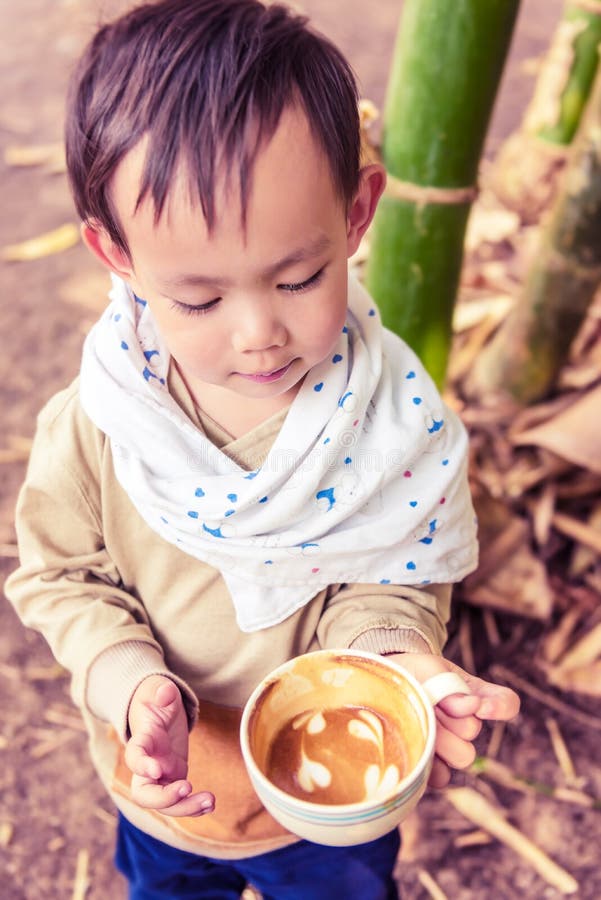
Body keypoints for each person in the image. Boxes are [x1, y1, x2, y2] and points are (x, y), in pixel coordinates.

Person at [5, 1, 520, 897]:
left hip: (340, 805)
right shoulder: (96, 425)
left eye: (298, 277)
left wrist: (394, 657)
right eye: (199, 300)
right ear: (114, 253)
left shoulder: (391, 424)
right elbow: (60, 577)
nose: (257, 335)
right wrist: (130, 683)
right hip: (174, 793)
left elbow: (391, 572)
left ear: (357, 215)